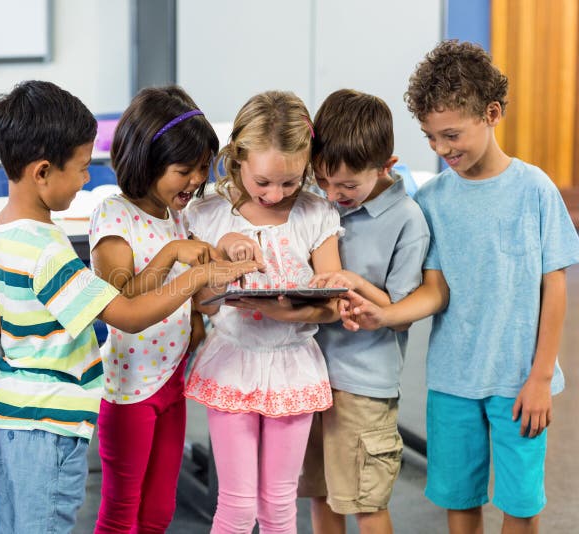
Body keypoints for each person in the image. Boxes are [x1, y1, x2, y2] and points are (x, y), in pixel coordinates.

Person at [0, 80, 260, 534]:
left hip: (25, 409)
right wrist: (195, 275)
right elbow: (124, 313)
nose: (88, 179)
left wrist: (38, 325)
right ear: (43, 171)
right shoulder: (49, 251)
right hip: (51, 416)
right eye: (83, 168)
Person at [340, 40, 579, 533]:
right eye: (430, 138)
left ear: (491, 114)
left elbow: (553, 289)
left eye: (451, 135)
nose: (442, 149)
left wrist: (538, 379)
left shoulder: (534, 190)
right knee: (460, 501)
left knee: (521, 505)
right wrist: (381, 311)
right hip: (452, 383)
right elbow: (432, 289)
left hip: (520, 383)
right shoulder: (431, 201)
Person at [184, 90, 342, 533]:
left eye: (290, 182)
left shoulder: (315, 214)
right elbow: (200, 300)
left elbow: (331, 301)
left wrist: (294, 314)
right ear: (238, 160)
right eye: (263, 182)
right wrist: (223, 262)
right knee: (235, 507)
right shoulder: (210, 214)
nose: (276, 194)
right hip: (234, 361)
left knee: (279, 506)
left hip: (293, 366)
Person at [291, 89, 430, 534]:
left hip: (364, 386)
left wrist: (354, 283)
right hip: (309, 375)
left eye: (348, 186)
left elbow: (402, 311)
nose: (334, 195)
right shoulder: (318, 203)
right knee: (320, 493)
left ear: (386, 166)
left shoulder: (408, 220)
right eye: (324, 181)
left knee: (365, 502)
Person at [89, 85, 225, 533]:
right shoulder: (114, 214)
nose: (195, 182)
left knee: (159, 512)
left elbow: (190, 299)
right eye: (184, 170)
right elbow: (122, 296)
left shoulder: (177, 215)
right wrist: (171, 257)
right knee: (121, 514)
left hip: (171, 382)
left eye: (202, 169)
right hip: (128, 391)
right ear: (146, 161)